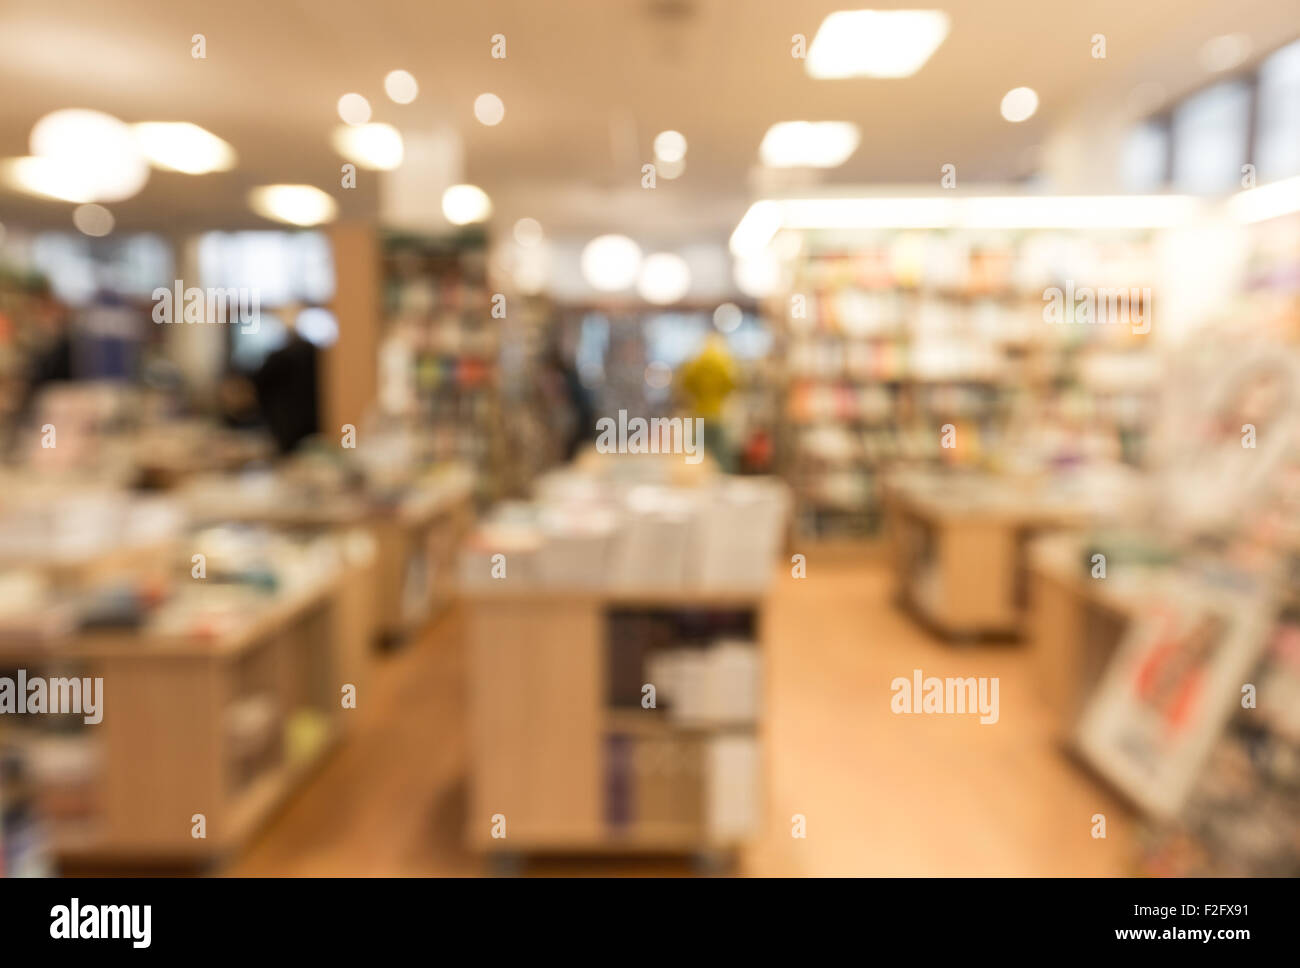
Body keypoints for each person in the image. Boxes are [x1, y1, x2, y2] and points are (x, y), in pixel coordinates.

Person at [678, 332, 737, 470]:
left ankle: (697, 480)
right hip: (718, 414)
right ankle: (723, 481)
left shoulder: (696, 363)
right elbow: (732, 383)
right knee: (721, 455)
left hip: (699, 413)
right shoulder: (723, 362)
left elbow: (686, 383)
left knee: (696, 455)